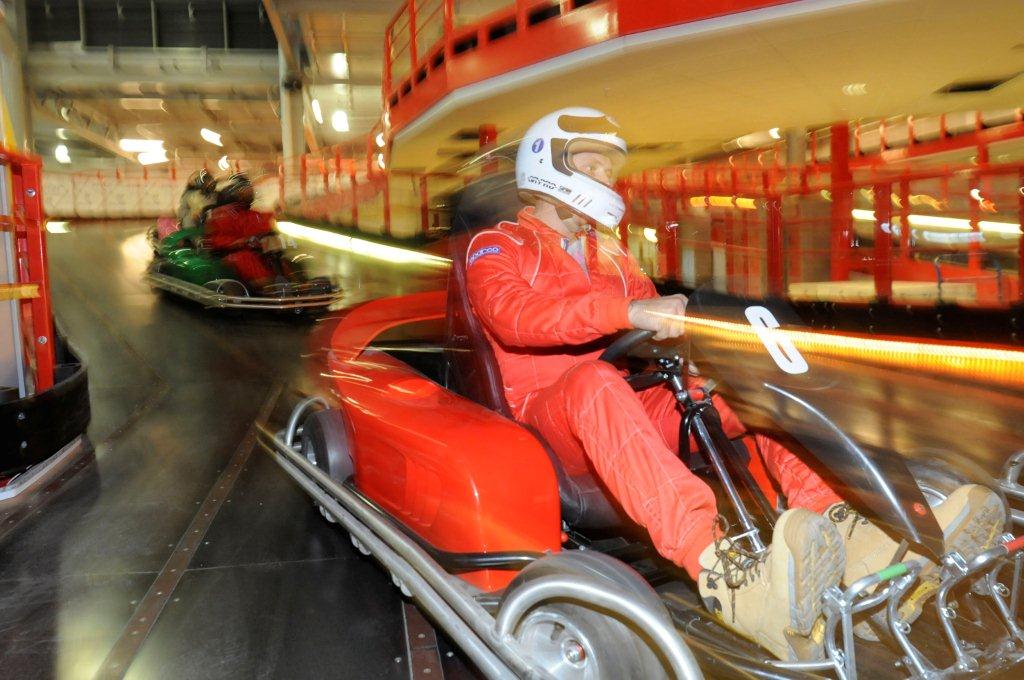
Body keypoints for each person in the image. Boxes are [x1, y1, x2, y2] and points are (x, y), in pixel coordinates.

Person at [464, 107, 1003, 661]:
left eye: (609, 169)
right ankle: (720, 573)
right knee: (593, 380)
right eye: (592, 165)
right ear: (548, 167)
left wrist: (712, 350)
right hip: (550, 420)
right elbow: (513, 314)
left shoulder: (612, 254)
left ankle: (848, 533)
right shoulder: (499, 245)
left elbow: (651, 325)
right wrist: (629, 309)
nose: (606, 179)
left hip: (624, 404)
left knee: (747, 388)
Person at [204, 173, 276, 289]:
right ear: (234, 192)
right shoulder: (222, 214)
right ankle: (265, 286)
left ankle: (293, 280)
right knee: (246, 258)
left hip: (253, 249)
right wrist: (240, 241)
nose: (249, 192)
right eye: (244, 190)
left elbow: (264, 226)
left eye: (249, 189)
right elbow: (218, 240)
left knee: (276, 254)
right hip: (232, 252)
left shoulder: (252, 214)